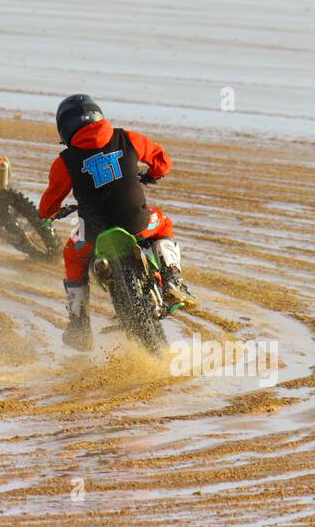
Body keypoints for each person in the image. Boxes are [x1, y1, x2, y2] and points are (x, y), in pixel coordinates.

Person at [38, 94, 196, 350]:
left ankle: (78, 322)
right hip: (138, 221)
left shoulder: (64, 162)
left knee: (72, 254)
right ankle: (173, 279)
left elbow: (48, 205)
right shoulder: (128, 138)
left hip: (93, 232)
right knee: (164, 222)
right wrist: (153, 174)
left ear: (65, 128)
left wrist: (48, 214)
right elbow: (162, 161)